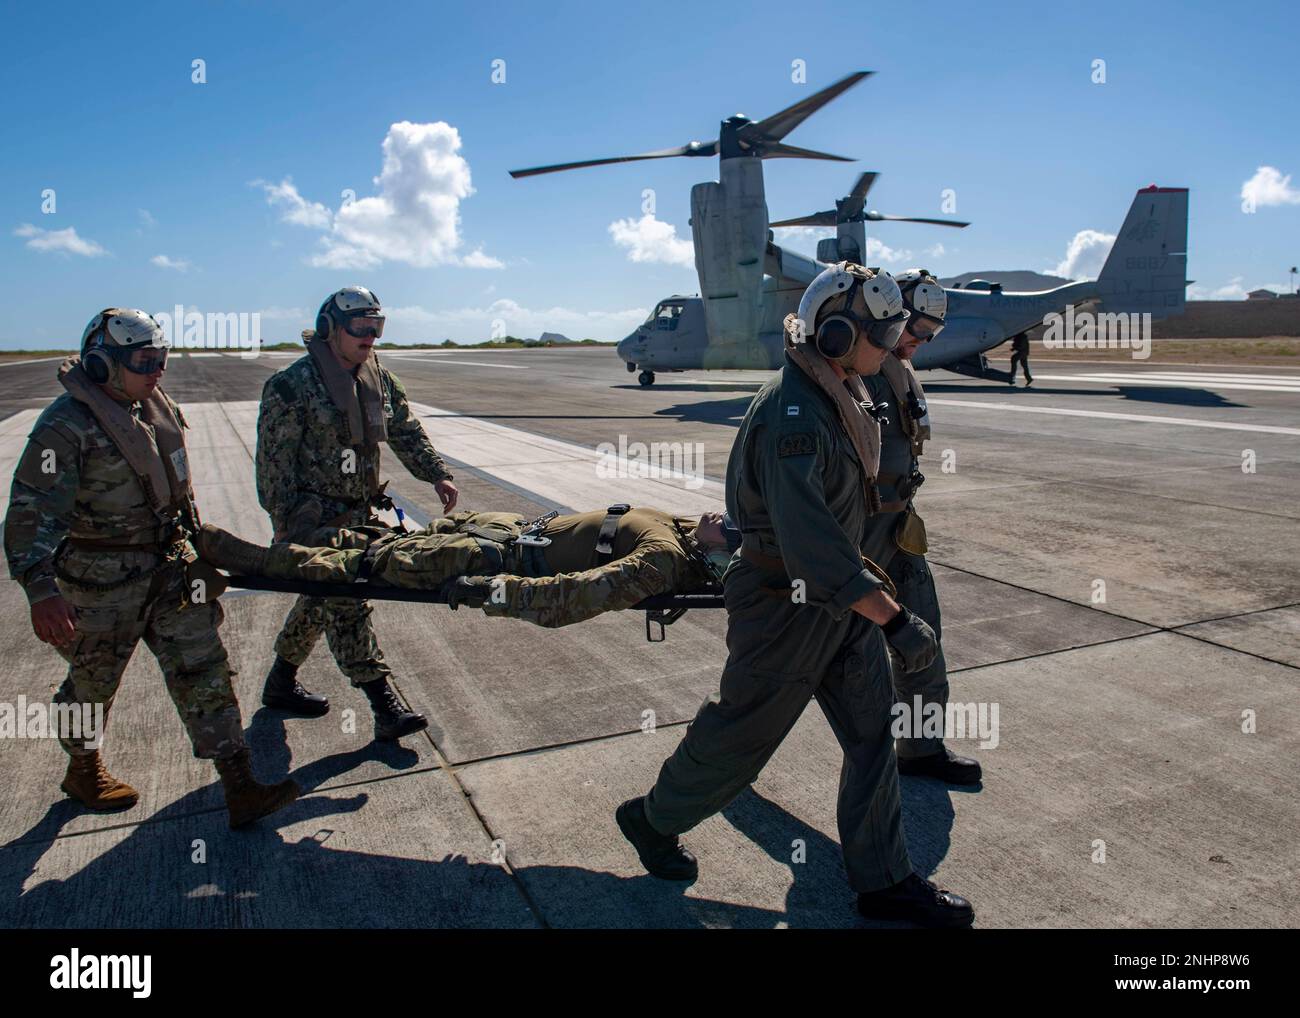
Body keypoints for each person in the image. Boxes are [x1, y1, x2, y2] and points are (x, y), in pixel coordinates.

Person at [615, 264, 975, 927]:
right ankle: (650, 818)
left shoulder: (843, 392)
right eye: (885, 329)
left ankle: (884, 882)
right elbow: (814, 547)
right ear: (837, 335)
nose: (896, 340)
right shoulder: (796, 415)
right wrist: (897, 622)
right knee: (739, 741)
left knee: (873, 736)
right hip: (786, 605)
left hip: (839, 604)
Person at [3, 308, 298, 828]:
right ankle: (83, 769)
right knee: (92, 685)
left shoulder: (154, 407)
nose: (158, 370)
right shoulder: (65, 426)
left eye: (161, 359)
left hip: (169, 572)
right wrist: (40, 588)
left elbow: (178, 490)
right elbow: (30, 512)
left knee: (204, 670)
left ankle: (240, 784)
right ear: (102, 365)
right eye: (145, 361)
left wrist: (199, 549)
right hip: (99, 586)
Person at [256, 286, 459, 740]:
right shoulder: (291, 386)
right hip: (312, 518)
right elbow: (274, 465)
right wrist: (284, 523)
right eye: (361, 328)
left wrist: (437, 474)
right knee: (346, 599)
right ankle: (384, 702)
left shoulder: (378, 378)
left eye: (377, 328)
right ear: (331, 329)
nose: (370, 337)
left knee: (319, 598)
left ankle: (280, 682)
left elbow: (406, 431)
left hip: (360, 512)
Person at [194, 507, 732, 629]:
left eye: (731, 530)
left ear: (718, 559)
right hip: (502, 526)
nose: (723, 516)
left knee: (368, 563)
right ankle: (293, 544)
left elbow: (571, 599)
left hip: (488, 557)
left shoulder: (663, 559)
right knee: (381, 542)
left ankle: (253, 560)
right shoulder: (687, 527)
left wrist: (488, 592)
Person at [863, 270, 981, 784]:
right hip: (851, 543)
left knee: (923, 642)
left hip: (899, 537)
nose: (920, 341)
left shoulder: (899, 372)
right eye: (916, 327)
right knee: (792, 664)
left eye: (931, 333)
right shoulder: (855, 375)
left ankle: (920, 750)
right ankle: (728, 749)